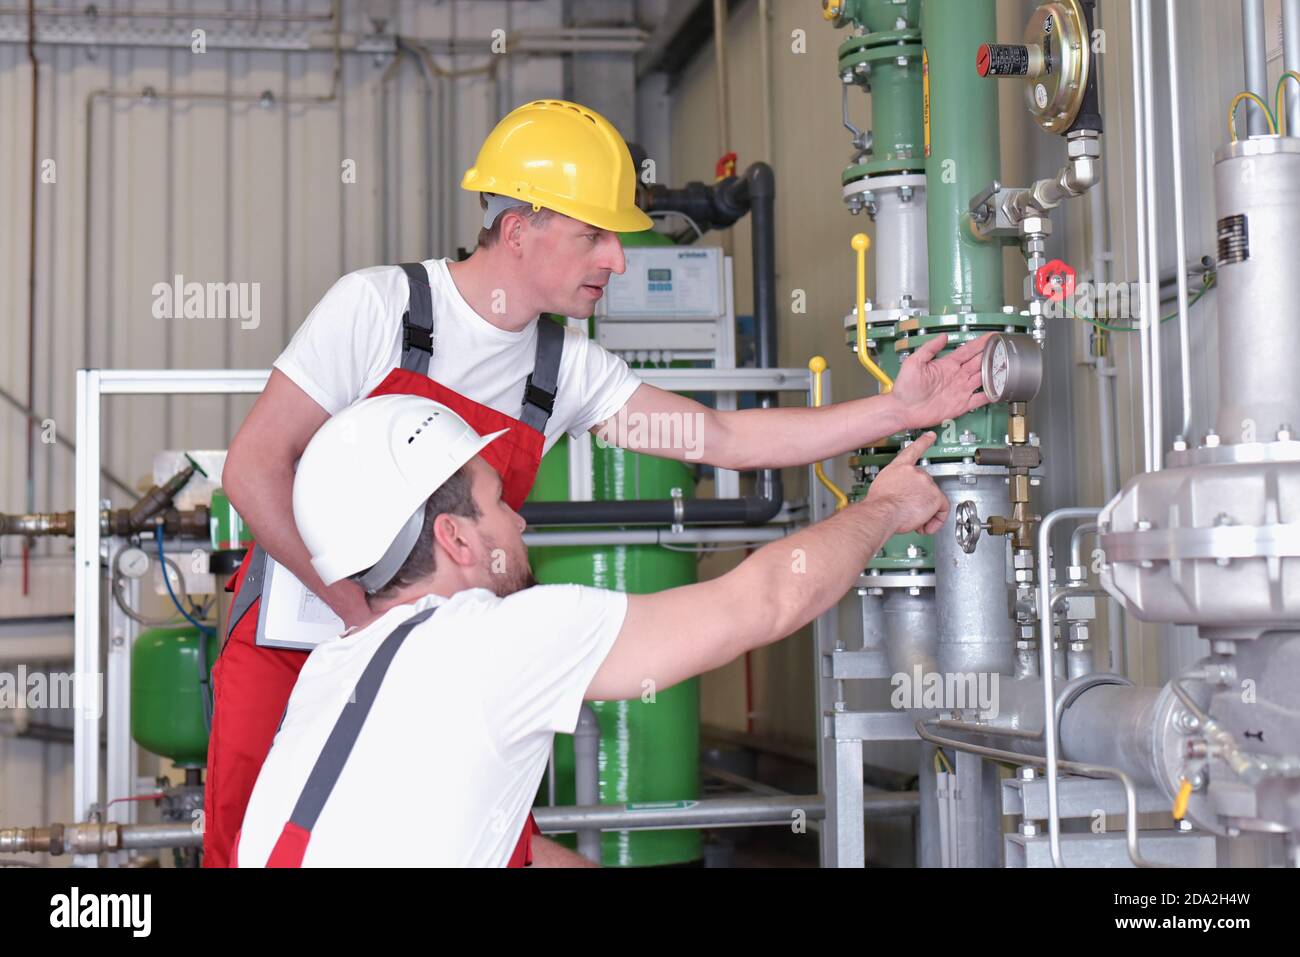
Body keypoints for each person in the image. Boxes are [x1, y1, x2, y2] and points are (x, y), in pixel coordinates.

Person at [206, 97, 990, 867]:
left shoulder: (562, 368)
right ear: (518, 230)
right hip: (294, 646)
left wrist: (895, 407)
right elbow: (254, 469)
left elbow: (717, 438)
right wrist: (364, 621)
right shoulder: (382, 309)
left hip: (438, 664)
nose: (617, 259)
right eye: (594, 236)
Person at [232, 394, 950, 866]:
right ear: (454, 538)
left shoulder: (333, 671)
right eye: (497, 503)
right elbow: (763, 600)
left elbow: (503, 849)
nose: (519, 520)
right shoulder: (496, 638)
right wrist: (887, 506)